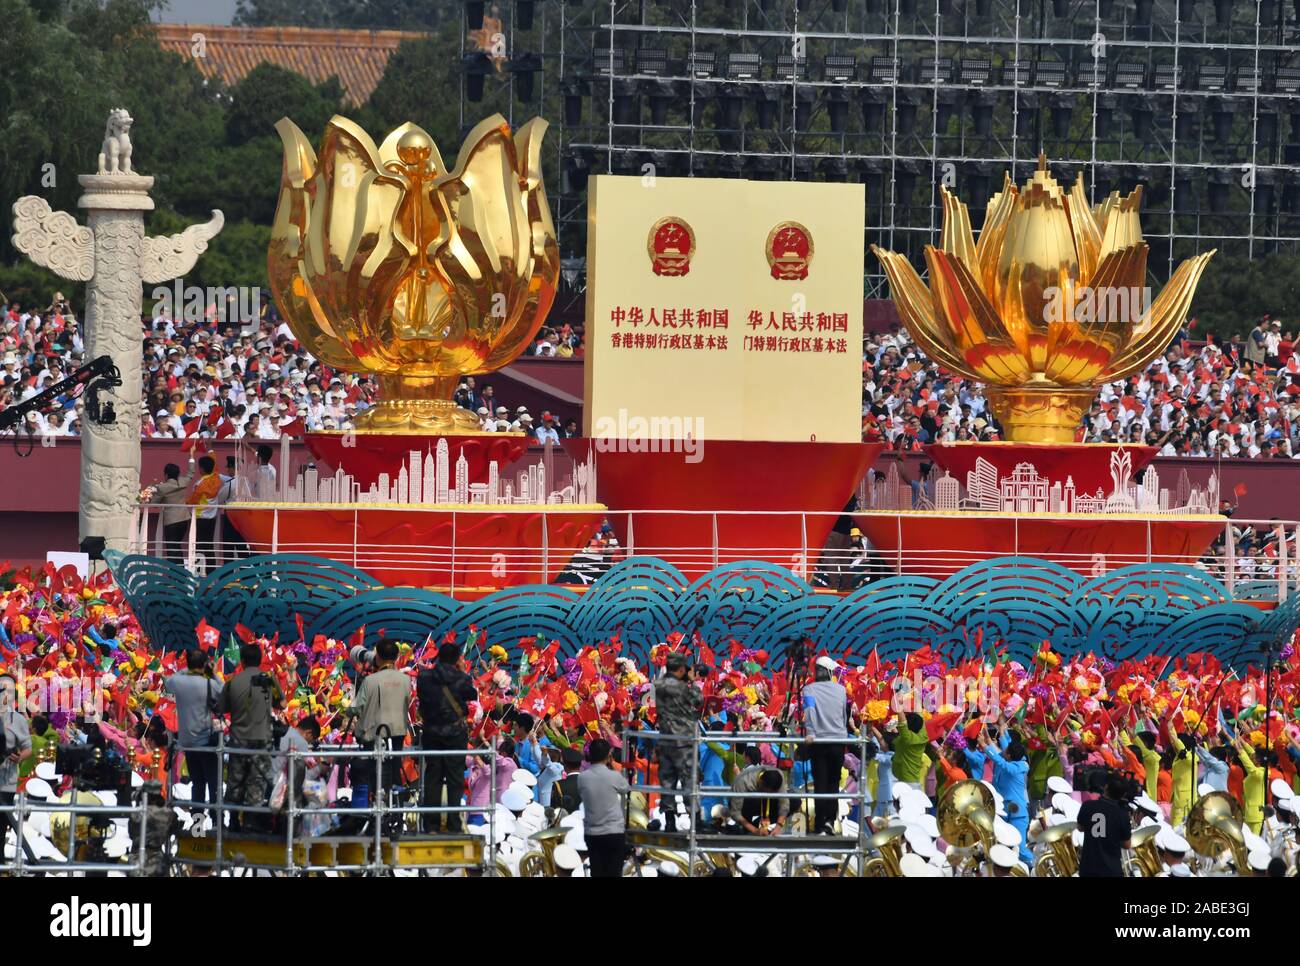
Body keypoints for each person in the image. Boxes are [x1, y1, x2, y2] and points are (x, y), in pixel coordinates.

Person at [217, 641, 284, 832]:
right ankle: (250, 821)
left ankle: (233, 821)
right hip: (262, 740)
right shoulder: (269, 680)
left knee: (236, 780)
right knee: (257, 780)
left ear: (242, 661)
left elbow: (222, 708)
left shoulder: (232, 682)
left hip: (238, 740)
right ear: (260, 660)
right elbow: (284, 704)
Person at [416, 641, 477, 832]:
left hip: (431, 732)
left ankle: (431, 824)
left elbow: (421, 695)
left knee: (432, 776)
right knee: (454, 777)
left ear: (439, 656)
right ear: (457, 658)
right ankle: (453, 824)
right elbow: (472, 695)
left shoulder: (424, 677)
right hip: (455, 734)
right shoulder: (462, 678)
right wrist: (461, 671)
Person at [346, 639, 411, 809]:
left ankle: (375, 810)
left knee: (374, 775)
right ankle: (392, 809)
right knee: (393, 772)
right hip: (397, 734)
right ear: (397, 657)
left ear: (378, 657)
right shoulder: (405, 680)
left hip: (374, 735)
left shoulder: (370, 681)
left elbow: (356, 708)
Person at [162, 649, 222, 826]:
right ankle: (217, 825)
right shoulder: (208, 683)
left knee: (197, 785)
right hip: (205, 741)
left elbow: (169, 682)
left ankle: (197, 827)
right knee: (213, 784)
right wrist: (213, 673)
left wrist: (185, 670)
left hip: (187, 742)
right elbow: (222, 691)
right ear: (204, 665)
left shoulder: (180, 681)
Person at [653, 651, 703, 830]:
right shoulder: (682, 687)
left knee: (667, 782)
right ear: (682, 668)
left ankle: (669, 822)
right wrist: (692, 680)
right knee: (689, 782)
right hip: (683, 743)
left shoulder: (658, 684)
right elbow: (698, 700)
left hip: (665, 741)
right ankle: (696, 821)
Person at [801, 655, 851, 833]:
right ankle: (830, 819)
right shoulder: (841, 690)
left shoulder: (808, 689)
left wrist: (811, 732)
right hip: (838, 739)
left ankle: (821, 823)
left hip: (819, 740)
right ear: (829, 672)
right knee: (833, 780)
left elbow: (810, 711)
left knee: (820, 782)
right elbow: (844, 715)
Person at [578, 737, 629, 877]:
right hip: (614, 833)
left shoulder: (582, 777)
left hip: (593, 834)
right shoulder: (614, 776)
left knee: (597, 872)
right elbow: (625, 788)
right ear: (608, 756)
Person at [1, 672, 35, 864]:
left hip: (6, 784)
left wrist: (17, 757)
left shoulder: (19, 721)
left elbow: (28, 749)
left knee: (1, 828)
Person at [1077, 772, 1134, 877]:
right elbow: (1127, 844)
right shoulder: (1122, 814)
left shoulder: (1087, 805)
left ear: (1106, 787)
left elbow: (1080, 827)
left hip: (1088, 868)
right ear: (1122, 795)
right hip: (1111, 870)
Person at [729, 760, 789, 835]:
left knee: (794, 802)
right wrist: (755, 830)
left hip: (768, 807)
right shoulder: (742, 781)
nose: (767, 794)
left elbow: (784, 804)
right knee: (748, 800)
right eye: (766, 791)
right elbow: (735, 813)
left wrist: (778, 826)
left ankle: (766, 826)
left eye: (770, 793)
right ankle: (748, 827)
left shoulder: (778, 775)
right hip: (748, 805)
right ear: (760, 781)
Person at [185, 454, 222, 571]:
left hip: (200, 518)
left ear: (201, 469)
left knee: (199, 546)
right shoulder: (217, 479)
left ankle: (198, 571)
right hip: (212, 517)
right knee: (209, 546)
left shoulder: (200, 484)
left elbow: (192, 501)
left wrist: (183, 502)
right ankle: (211, 571)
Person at [154, 458, 194, 561]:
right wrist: (191, 458)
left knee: (171, 548)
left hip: (171, 521)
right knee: (177, 546)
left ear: (166, 474)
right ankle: (180, 571)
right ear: (178, 474)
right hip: (184, 519)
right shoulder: (183, 482)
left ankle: (173, 573)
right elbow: (190, 473)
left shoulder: (162, 488)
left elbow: (154, 503)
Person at [550, 746, 584, 813]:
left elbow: (554, 810)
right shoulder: (589, 783)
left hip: (565, 821)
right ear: (580, 765)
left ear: (565, 766)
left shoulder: (558, 785)